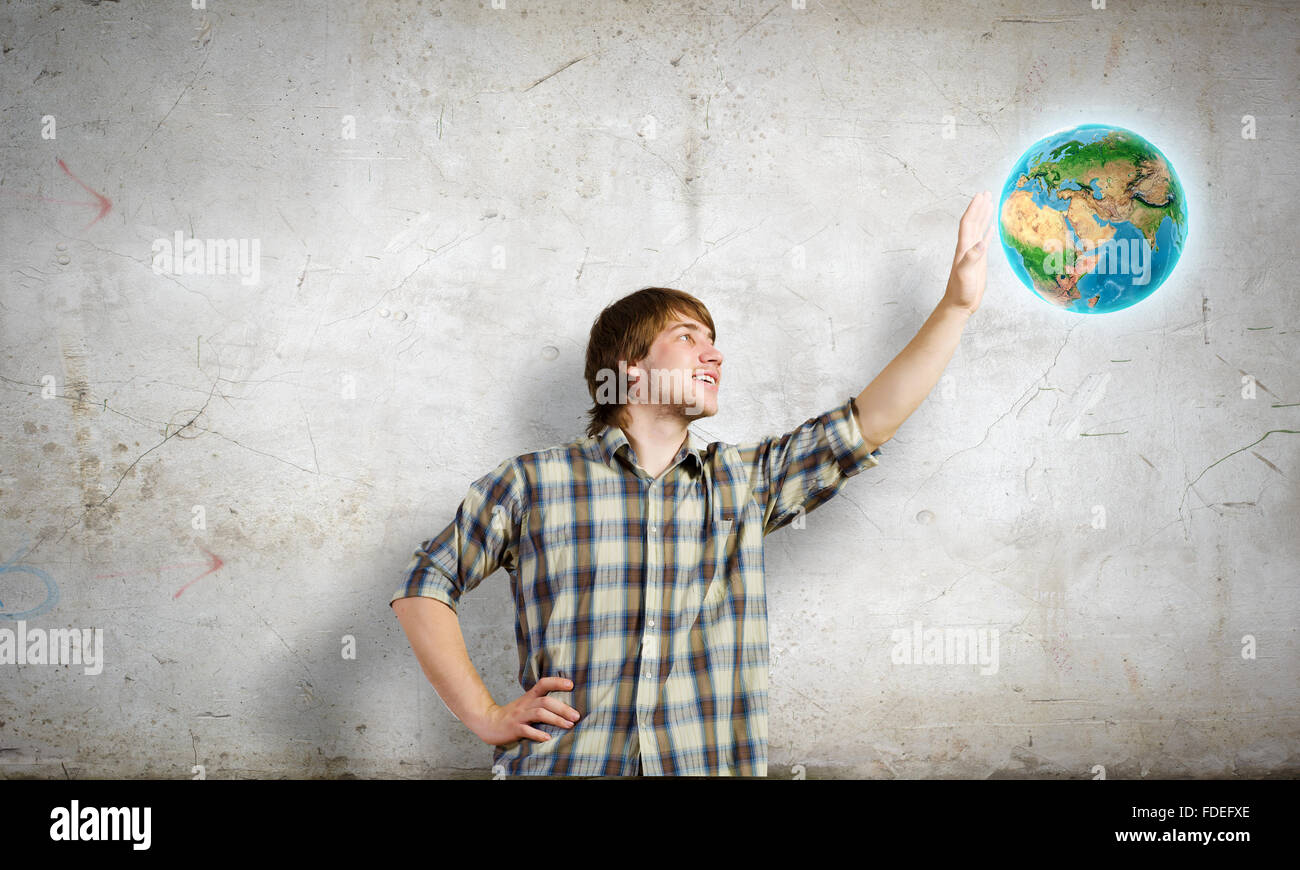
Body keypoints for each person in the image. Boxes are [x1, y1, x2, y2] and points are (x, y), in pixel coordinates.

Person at [390, 191, 997, 777]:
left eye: (714, 340)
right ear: (630, 366)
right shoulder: (530, 483)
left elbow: (867, 422)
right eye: (688, 337)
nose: (714, 354)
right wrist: (486, 714)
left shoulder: (745, 482)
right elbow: (426, 583)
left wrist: (956, 307)